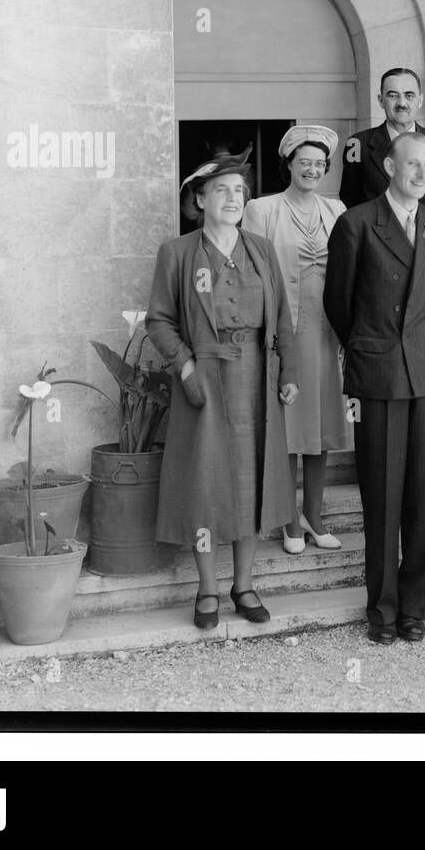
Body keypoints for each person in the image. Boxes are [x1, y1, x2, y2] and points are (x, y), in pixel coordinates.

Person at [146, 154, 299, 630]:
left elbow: (284, 320)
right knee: (207, 485)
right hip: (206, 379)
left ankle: (244, 584)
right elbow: (159, 320)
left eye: (239, 191)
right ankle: (208, 587)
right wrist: (187, 366)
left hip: (257, 375)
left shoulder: (262, 249)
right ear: (199, 200)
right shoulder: (177, 252)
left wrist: (287, 372)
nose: (233, 198)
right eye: (221, 191)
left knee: (253, 482)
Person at [323, 131, 425, 645]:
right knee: (381, 497)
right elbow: (339, 303)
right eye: (411, 164)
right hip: (377, 375)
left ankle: (414, 607)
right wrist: (369, 349)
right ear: (388, 167)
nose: (421, 173)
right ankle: (381, 610)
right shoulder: (355, 223)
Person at [242, 124, 351, 556]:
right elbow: (252, 272)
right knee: (289, 429)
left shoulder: (337, 209)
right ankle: (289, 519)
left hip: (326, 335)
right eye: (303, 162)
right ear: (288, 164)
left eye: (319, 163)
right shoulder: (262, 209)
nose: (311, 169)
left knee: (321, 427)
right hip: (285, 335)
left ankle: (315, 515)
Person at [338, 67, 425, 213]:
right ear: (381, 100)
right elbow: (350, 206)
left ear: (420, 101)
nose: (402, 103)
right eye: (393, 96)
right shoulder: (357, 144)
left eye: (409, 95)